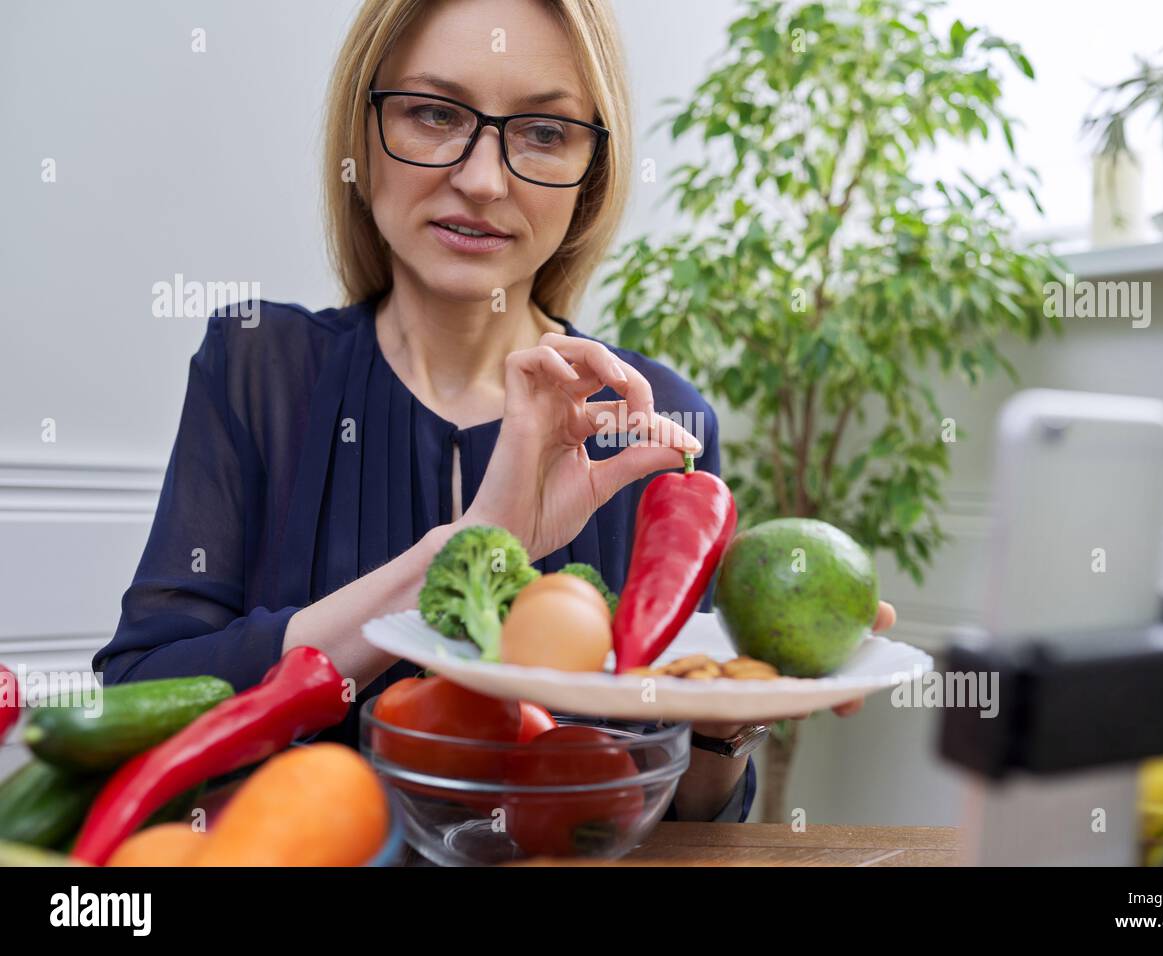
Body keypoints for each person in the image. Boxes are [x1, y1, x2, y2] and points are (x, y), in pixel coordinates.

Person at [93, 0, 897, 824]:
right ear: (360, 138)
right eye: (435, 114)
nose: (482, 180)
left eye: (545, 133)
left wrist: (734, 719)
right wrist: (463, 551)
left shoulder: (662, 424)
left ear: (593, 175)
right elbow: (135, 707)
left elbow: (684, 818)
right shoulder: (258, 366)